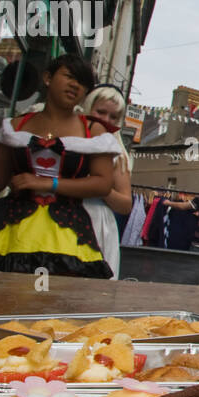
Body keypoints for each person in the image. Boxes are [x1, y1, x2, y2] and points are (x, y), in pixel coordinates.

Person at [0, 55, 117, 278]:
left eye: (82, 83)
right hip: (9, 227)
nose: (75, 85)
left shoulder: (94, 130)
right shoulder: (16, 125)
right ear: (48, 78)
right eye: (69, 76)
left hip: (66, 230)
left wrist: (47, 183)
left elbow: (102, 183)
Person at [79, 85, 133, 279]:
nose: (105, 120)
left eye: (113, 117)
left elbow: (126, 204)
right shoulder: (69, 139)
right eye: (100, 112)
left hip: (96, 223)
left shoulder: (117, 154)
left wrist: (99, 187)